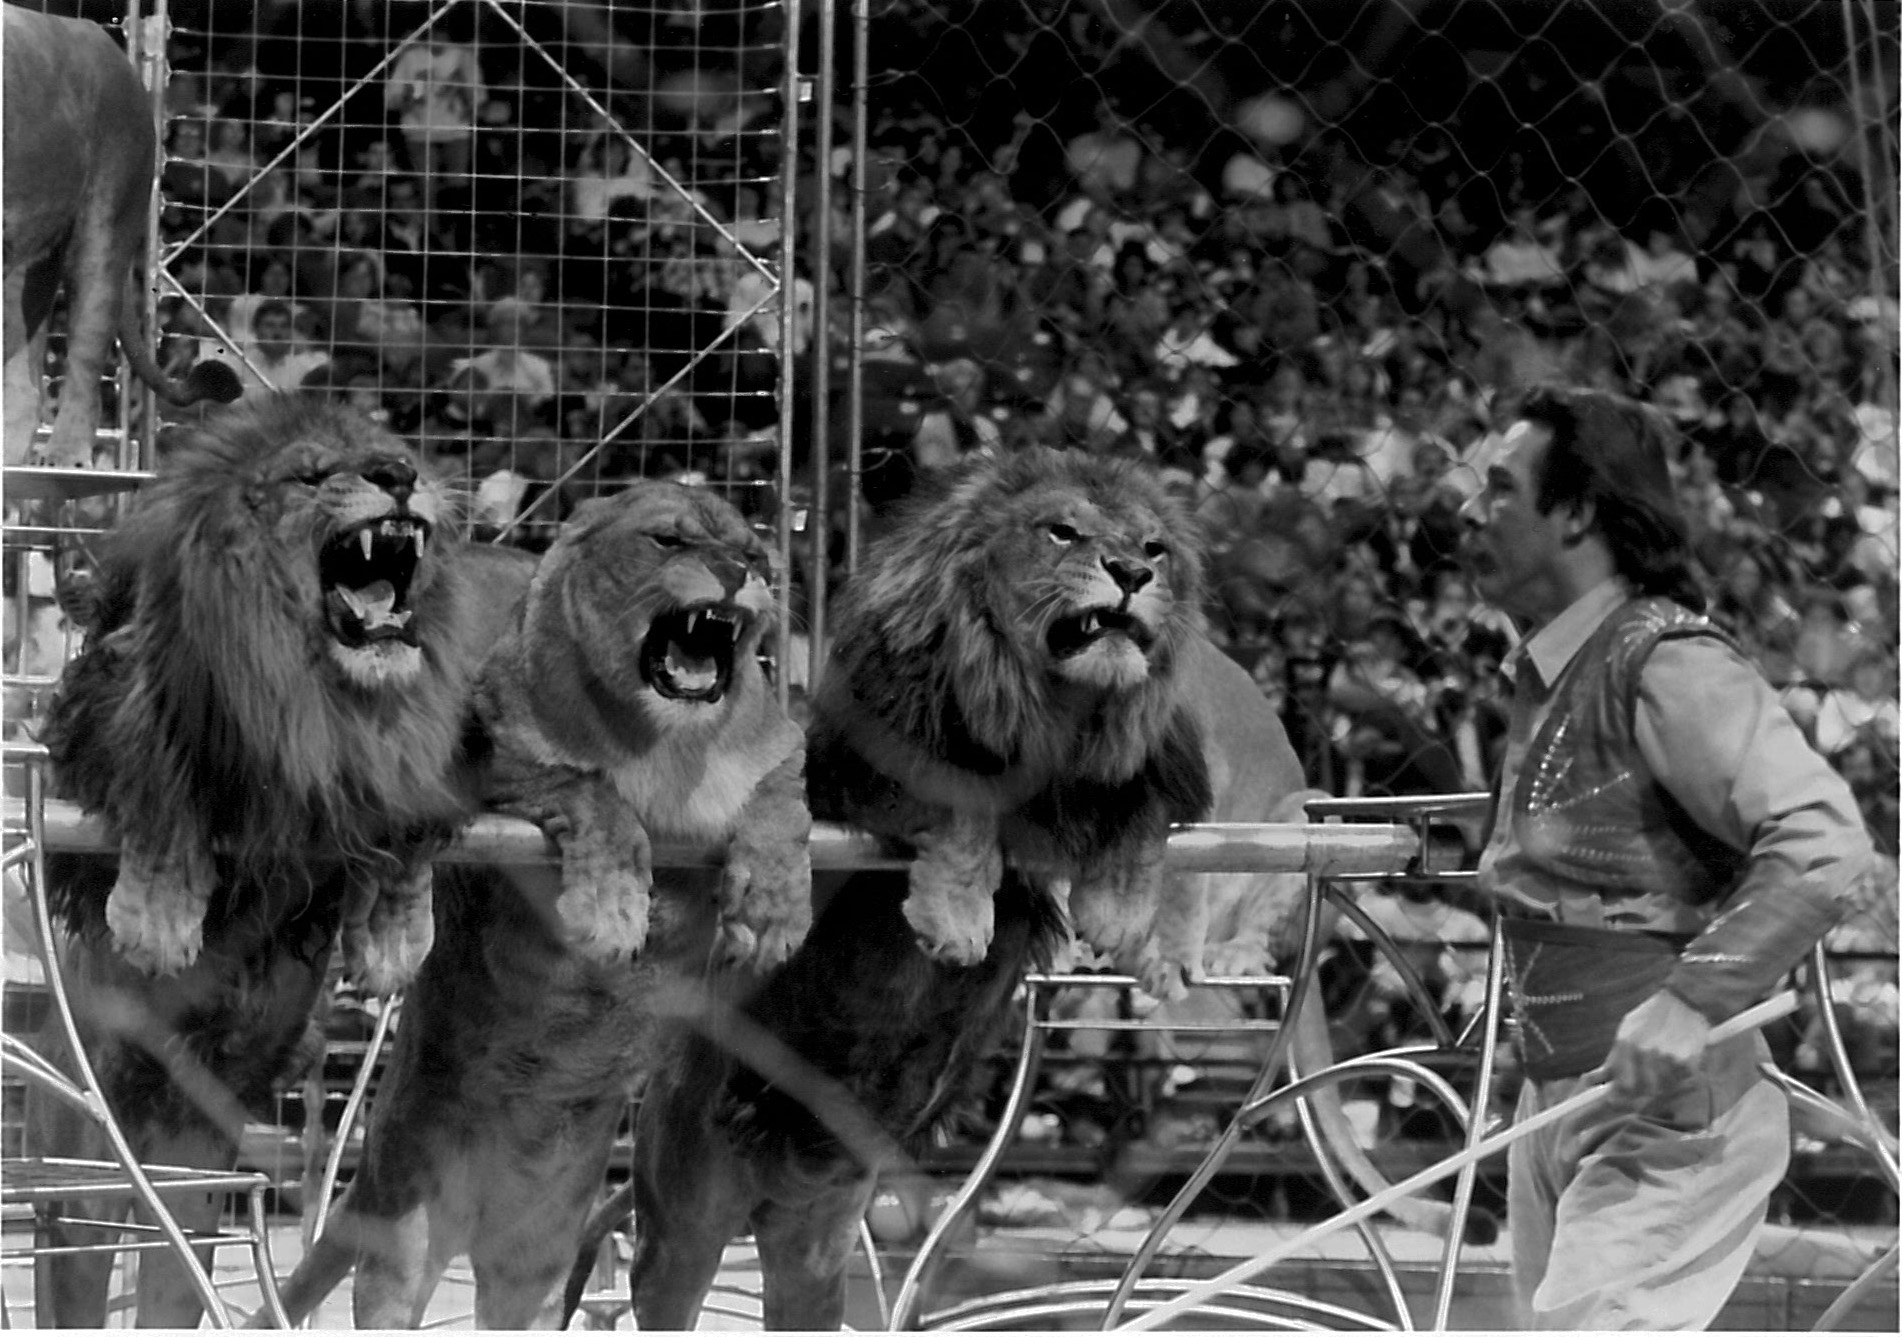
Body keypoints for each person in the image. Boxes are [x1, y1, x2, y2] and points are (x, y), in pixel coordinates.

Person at [1457, 384, 1871, 1330]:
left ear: (1576, 511)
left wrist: (1694, 997)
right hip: (1565, 1099)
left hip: (1668, 1108)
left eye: (1499, 488)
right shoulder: (1563, 666)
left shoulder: (1665, 660)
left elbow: (1825, 843)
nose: (1469, 509)